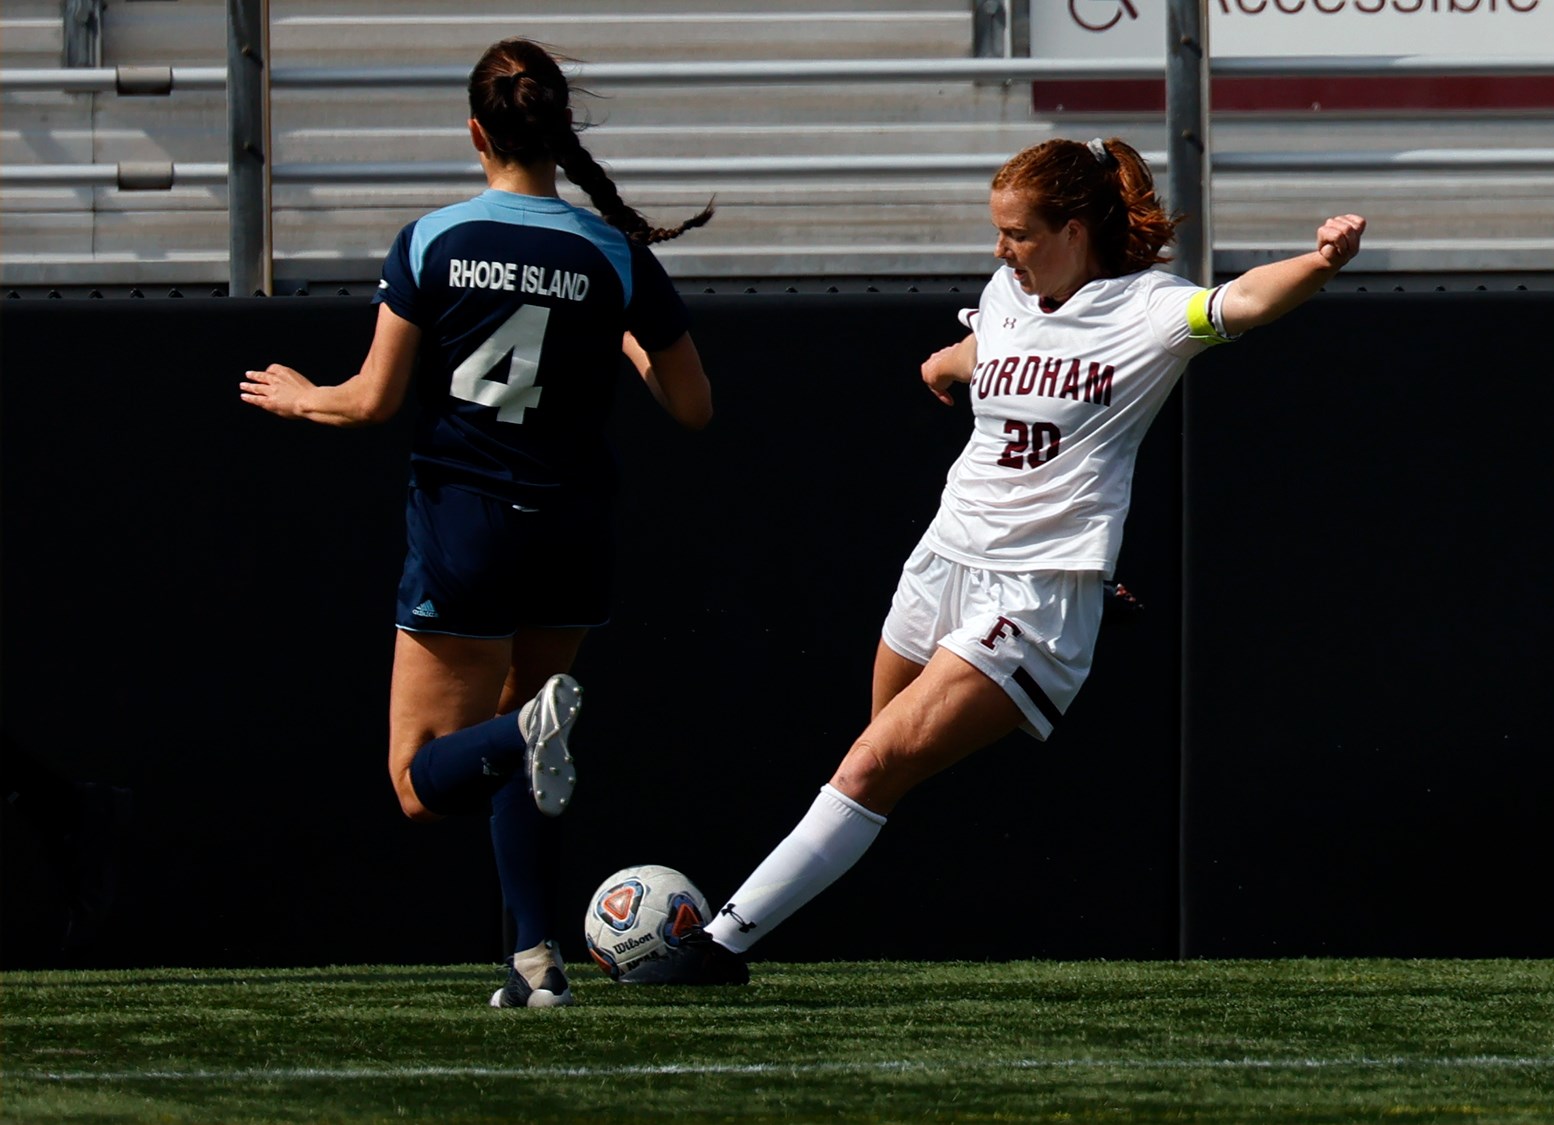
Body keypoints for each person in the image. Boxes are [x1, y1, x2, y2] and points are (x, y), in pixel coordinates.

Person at [643, 136, 1365, 984]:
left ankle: (715, 946)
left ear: (1073, 231)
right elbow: (993, 348)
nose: (1000, 249)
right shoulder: (1009, 294)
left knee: (871, 767)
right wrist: (946, 363)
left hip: (1032, 591)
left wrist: (1321, 262)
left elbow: (1245, 300)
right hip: (942, 559)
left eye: (1018, 233)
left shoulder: (1148, 311)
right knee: (873, 757)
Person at [239, 39, 713, 1007]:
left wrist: (299, 397)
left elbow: (372, 400)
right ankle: (534, 964)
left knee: (421, 780)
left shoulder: (434, 240)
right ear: (558, 132)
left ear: (475, 134)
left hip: (468, 528)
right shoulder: (611, 253)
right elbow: (694, 408)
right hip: (572, 534)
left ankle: (522, 759)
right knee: (525, 756)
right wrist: (623, 337)